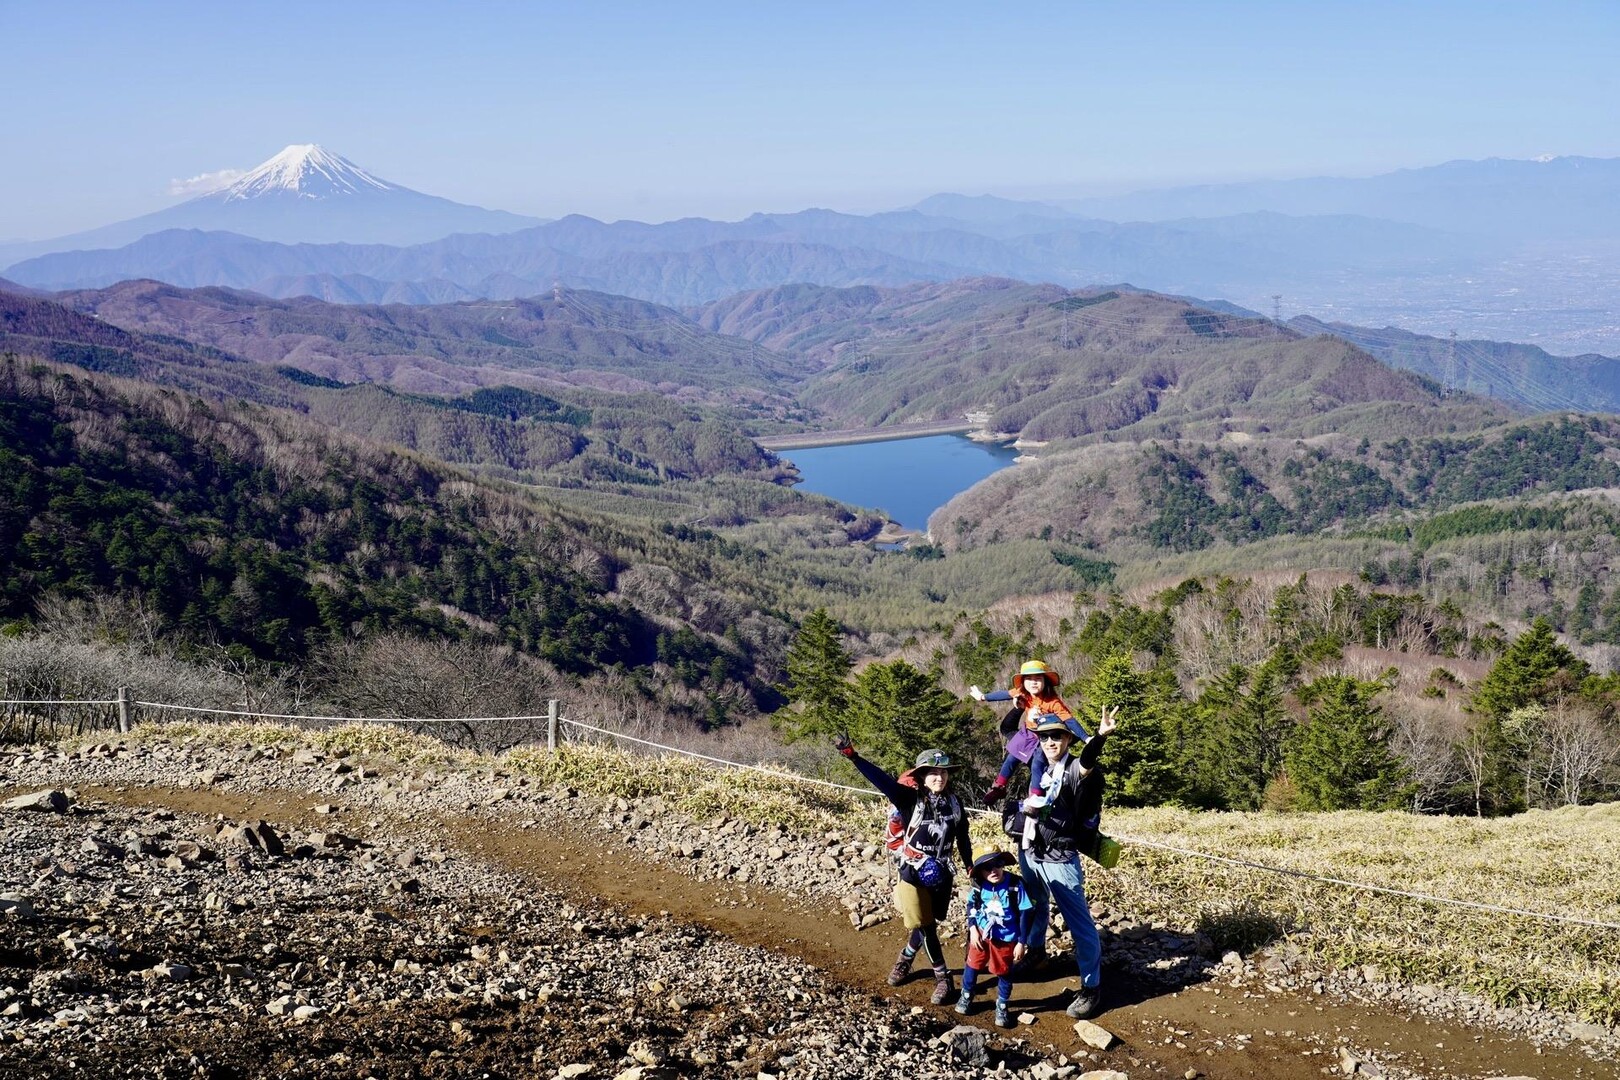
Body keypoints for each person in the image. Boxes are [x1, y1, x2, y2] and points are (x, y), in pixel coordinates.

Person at [835, 733, 974, 1007]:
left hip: (942, 873)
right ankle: (943, 978)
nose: (939, 777)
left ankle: (905, 958)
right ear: (921, 776)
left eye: (943, 772)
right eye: (933, 773)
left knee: (928, 921)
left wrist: (969, 864)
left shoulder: (954, 803)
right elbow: (882, 780)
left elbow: (963, 837)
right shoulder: (909, 799)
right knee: (925, 925)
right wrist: (854, 757)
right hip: (913, 871)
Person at [1016, 709, 1117, 1019]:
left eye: (1057, 736)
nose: (1050, 741)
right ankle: (1036, 953)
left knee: (1079, 924)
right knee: (1035, 904)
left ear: (1068, 739)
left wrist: (1099, 737)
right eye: (1044, 737)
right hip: (1031, 851)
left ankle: (1091, 988)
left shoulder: (1073, 769)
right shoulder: (1042, 768)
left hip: (1060, 857)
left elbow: (1087, 761)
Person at [969, 659, 1080, 805]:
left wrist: (1087, 738)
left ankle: (1035, 797)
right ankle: (999, 786)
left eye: (1038, 678)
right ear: (1023, 682)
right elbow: (1005, 695)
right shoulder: (1024, 694)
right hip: (1027, 734)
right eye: (1029, 679)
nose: (1033, 682)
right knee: (1011, 758)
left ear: (1045, 681)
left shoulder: (1052, 702)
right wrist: (983, 697)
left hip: (1044, 737)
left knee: (1037, 764)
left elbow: (1068, 720)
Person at [956, 849, 1034, 1028]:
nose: (993, 870)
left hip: (1005, 937)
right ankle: (966, 994)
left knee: (1004, 971)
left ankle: (1002, 1004)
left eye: (997, 864)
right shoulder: (978, 886)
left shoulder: (1014, 885)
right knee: (972, 964)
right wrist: (973, 929)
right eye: (987, 867)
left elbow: (1026, 913)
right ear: (980, 871)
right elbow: (972, 906)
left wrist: (1021, 942)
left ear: (1003, 864)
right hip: (981, 934)